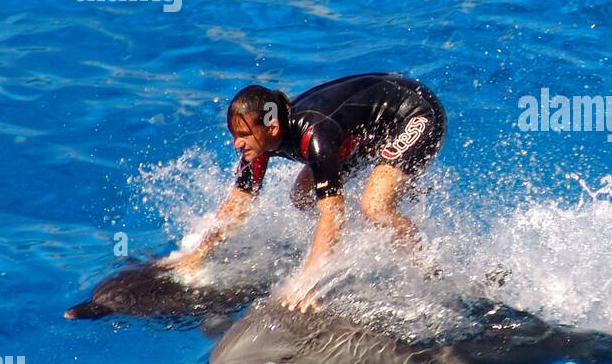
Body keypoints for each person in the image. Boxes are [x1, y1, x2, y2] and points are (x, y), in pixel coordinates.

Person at [161, 73, 446, 311]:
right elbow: (237, 206)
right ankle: (391, 195)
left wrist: (308, 279)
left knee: (375, 207)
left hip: (414, 114)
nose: (237, 144)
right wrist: (198, 254)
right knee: (302, 197)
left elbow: (332, 214)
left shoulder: (315, 134)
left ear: (271, 128)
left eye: (244, 135)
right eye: (235, 135)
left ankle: (429, 271)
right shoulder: (259, 144)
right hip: (365, 129)